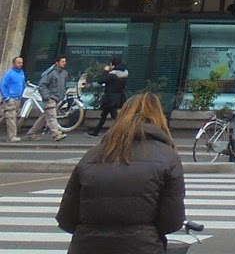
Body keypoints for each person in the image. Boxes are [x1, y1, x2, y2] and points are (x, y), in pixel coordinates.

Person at [56, 91, 185, 254]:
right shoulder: (167, 156)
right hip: (142, 246)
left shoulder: (93, 154)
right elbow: (172, 221)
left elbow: (66, 219)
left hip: (87, 246)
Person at [28, 56, 70, 140]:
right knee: (51, 116)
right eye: (62, 61)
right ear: (57, 63)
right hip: (50, 98)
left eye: (65, 61)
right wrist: (46, 96)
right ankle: (56, 134)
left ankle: (31, 133)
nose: (64, 63)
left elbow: (63, 85)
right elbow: (42, 85)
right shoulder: (50, 73)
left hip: (57, 98)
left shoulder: (64, 73)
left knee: (45, 117)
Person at [88, 58, 128, 138]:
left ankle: (125, 132)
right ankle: (96, 131)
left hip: (110, 98)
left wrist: (105, 71)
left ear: (113, 65)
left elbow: (101, 81)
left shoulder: (112, 75)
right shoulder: (124, 74)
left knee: (115, 117)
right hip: (118, 97)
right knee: (104, 115)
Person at [2, 55, 25, 142]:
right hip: (10, 98)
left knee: (8, 117)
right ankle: (12, 136)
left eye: (21, 62)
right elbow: (3, 85)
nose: (21, 64)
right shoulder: (9, 73)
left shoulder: (21, 73)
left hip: (18, 98)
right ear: (14, 63)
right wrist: (6, 97)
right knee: (11, 118)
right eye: (19, 63)